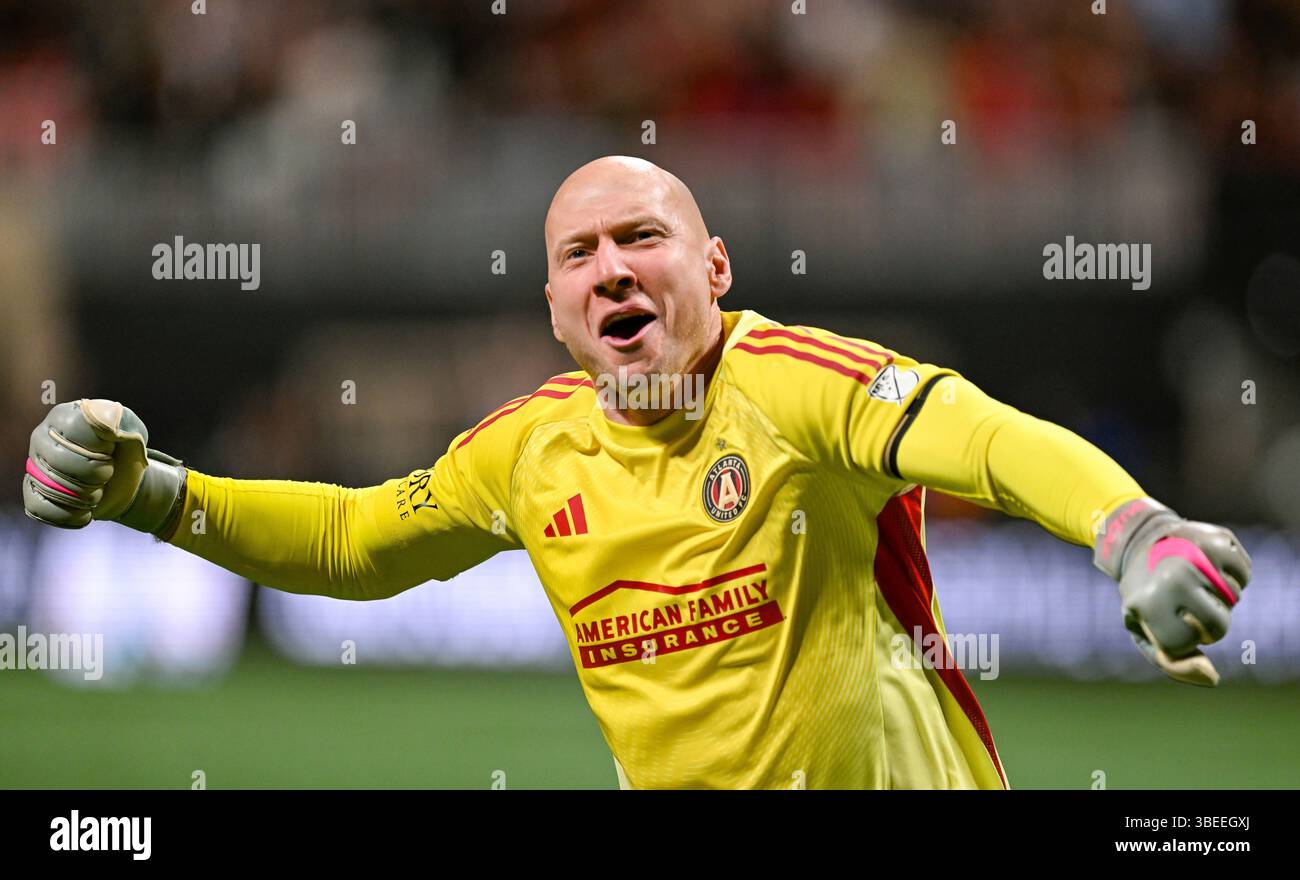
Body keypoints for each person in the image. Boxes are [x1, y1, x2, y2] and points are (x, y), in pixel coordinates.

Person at [22, 156, 1251, 789]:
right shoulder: (528, 447)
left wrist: (1131, 530)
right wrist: (153, 495)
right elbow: (355, 541)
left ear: (713, 269)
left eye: (641, 239)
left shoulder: (789, 384)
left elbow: (984, 435)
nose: (611, 269)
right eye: (579, 254)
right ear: (555, 306)